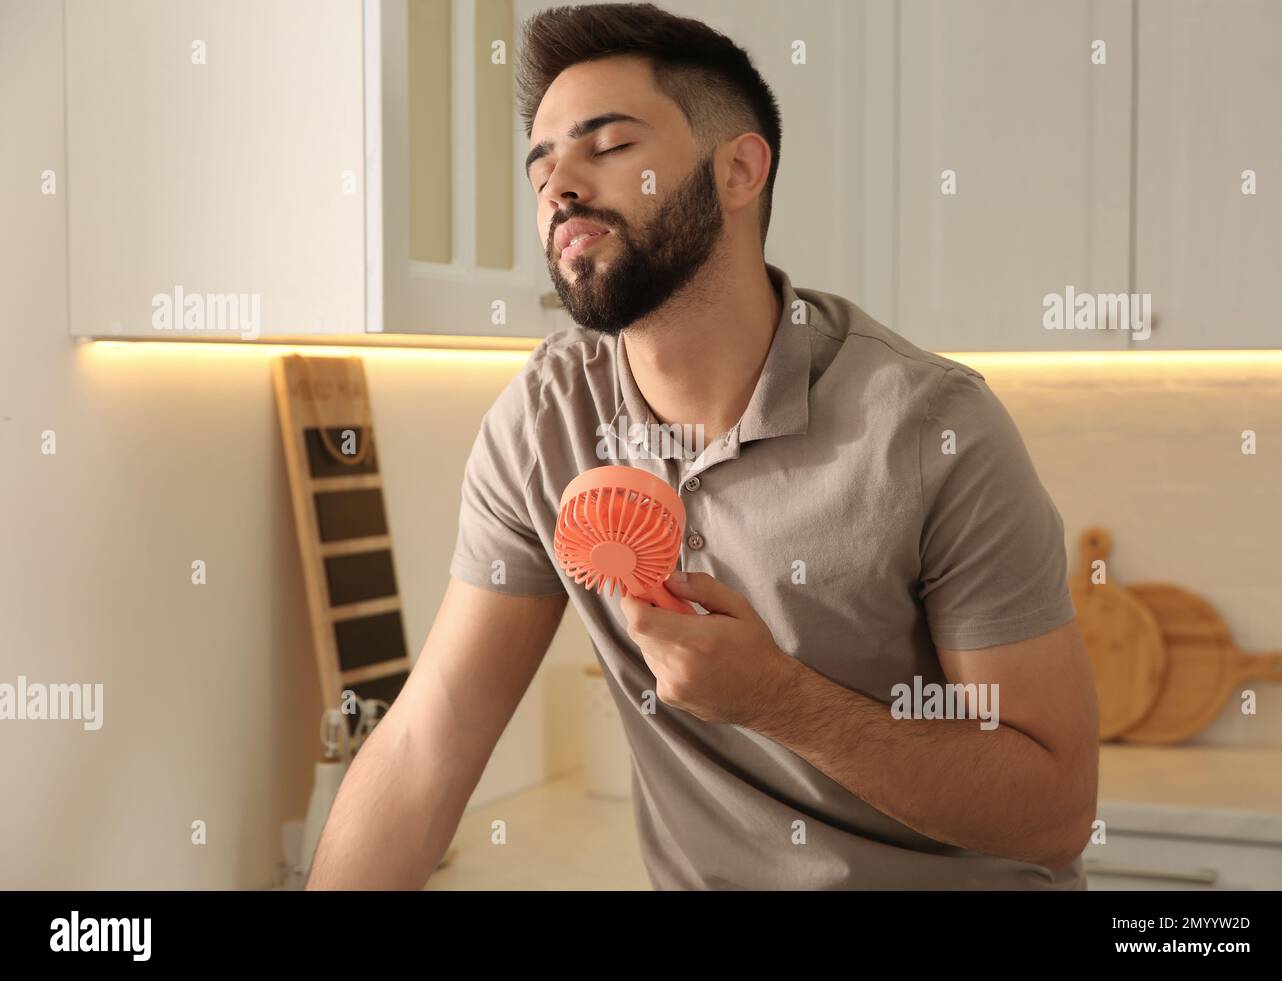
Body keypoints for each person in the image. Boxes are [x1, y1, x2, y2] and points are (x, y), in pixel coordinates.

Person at [307, 2, 1098, 891]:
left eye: (606, 148)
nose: (560, 184)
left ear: (739, 169)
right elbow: (423, 747)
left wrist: (782, 702)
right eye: (541, 171)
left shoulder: (929, 429)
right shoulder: (545, 423)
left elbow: (1059, 811)